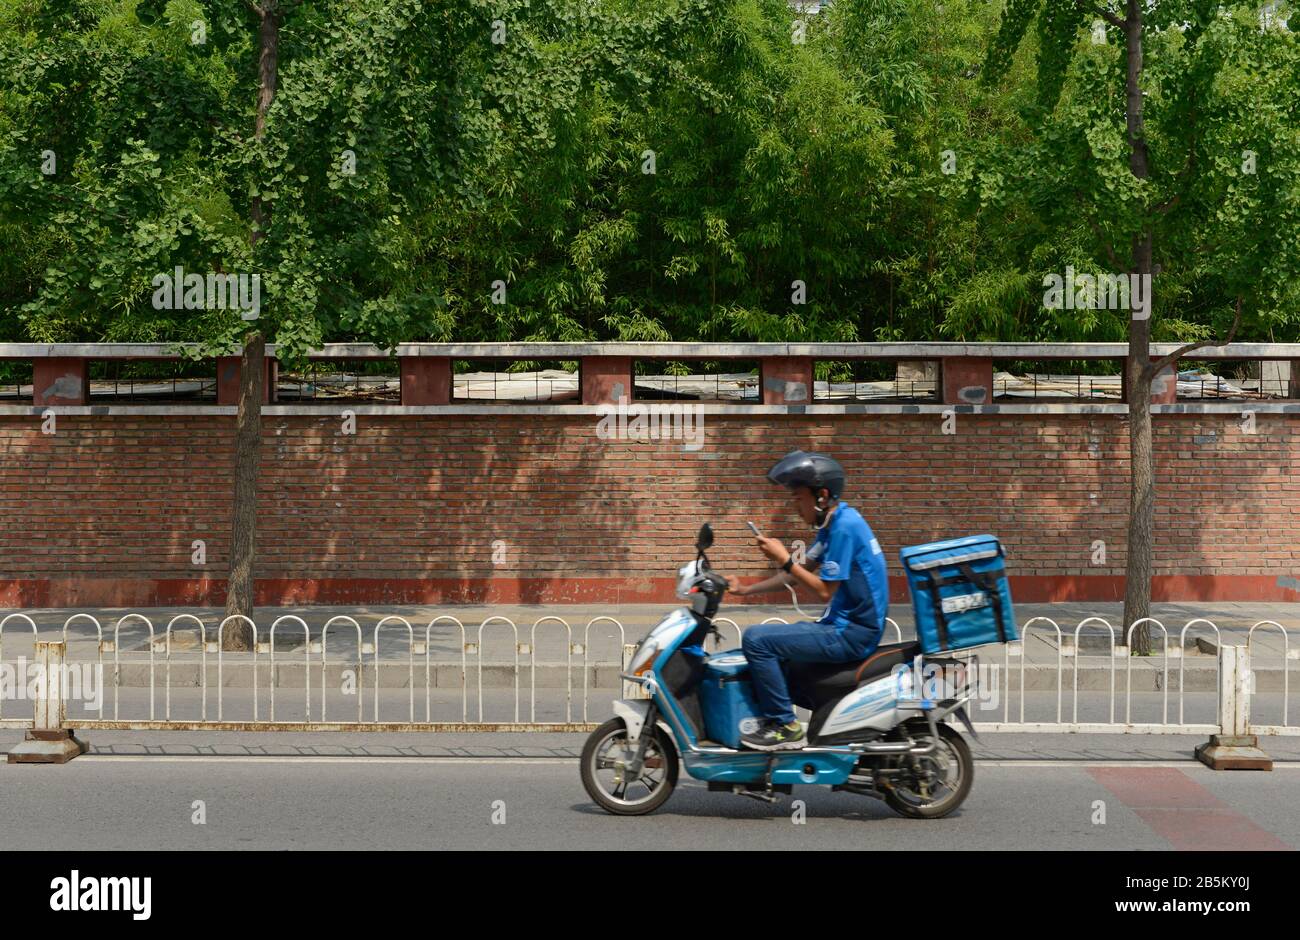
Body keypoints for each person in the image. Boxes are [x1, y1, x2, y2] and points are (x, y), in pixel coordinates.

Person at [728, 450, 889, 750]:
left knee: (756, 640)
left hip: (850, 633)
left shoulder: (843, 528)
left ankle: (784, 727)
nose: (795, 506)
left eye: (798, 498)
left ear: (822, 496)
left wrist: (784, 559)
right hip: (843, 626)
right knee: (781, 661)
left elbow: (824, 591)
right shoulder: (834, 525)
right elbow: (796, 574)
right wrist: (745, 590)